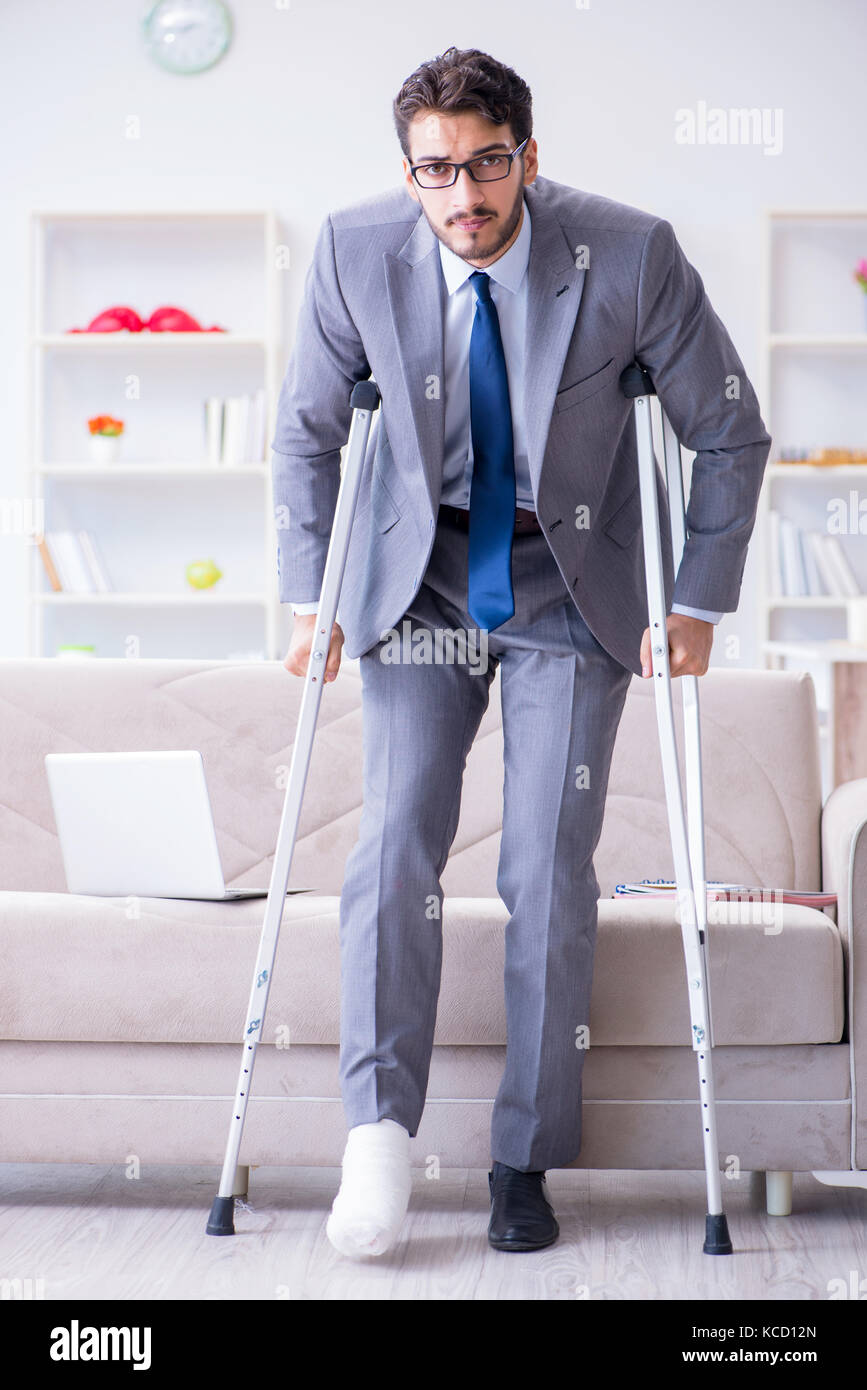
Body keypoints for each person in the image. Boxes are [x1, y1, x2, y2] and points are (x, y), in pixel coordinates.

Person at [270, 45, 771, 1258]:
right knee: (395, 842)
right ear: (409, 172)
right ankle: (376, 1138)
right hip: (421, 578)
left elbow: (729, 433)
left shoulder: (631, 255)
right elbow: (306, 436)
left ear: (528, 157)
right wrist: (304, 597)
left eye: (487, 164)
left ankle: (524, 1155)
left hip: (569, 577)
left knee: (544, 864)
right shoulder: (351, 252)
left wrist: (697, 603)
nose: (464, 195)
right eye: (436, 170)